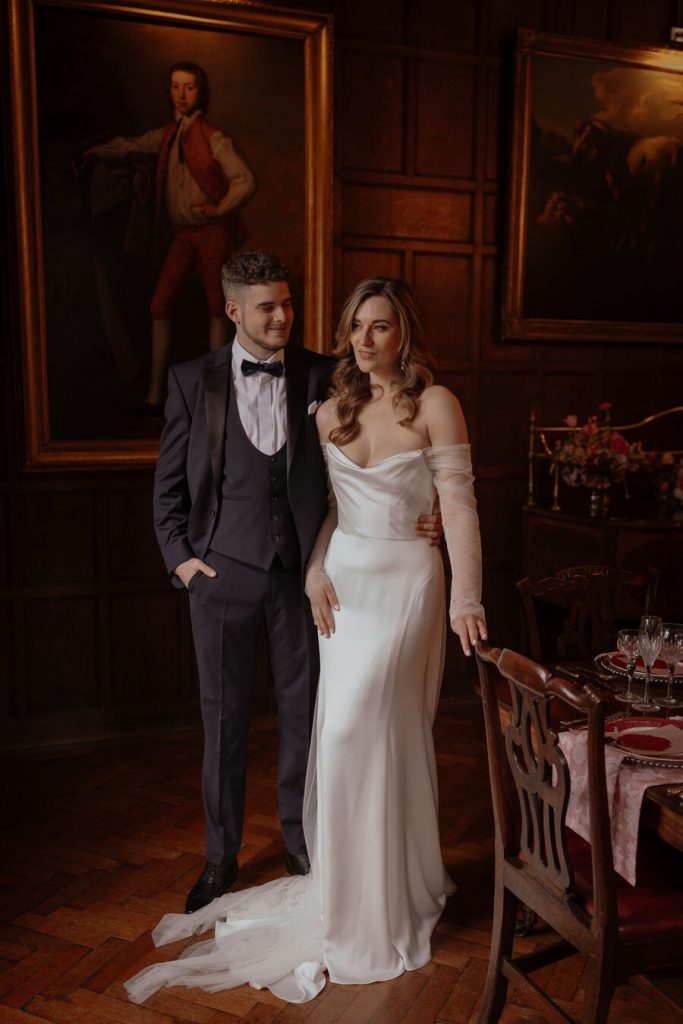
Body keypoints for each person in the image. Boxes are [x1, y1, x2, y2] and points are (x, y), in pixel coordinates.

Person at [126, 275, 486, 1005]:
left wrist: (466, 596)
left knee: (368, 729)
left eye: (379, 326)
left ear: (403, 331)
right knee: (344, 736)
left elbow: (458, 506)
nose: (363, 339)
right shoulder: (329, 409)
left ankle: (383, 902)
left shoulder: (436, 404)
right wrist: (316, 569)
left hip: (409, 583)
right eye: (356, 325)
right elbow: (325, 510)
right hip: (341, 587)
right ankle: (343, 887)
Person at [85, 62, 256, 412]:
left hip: (211, 233)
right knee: (159, 305)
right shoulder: (166, 135)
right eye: (176, 87)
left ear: (200, 92)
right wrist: (93, 153)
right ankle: (153, 391)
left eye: (189, 87)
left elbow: (245, 180)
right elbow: (129, 146)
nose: (181, 94)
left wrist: (220, 209)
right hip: (182, 236)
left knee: (216, 308)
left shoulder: (214, 138)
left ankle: (216, 395)